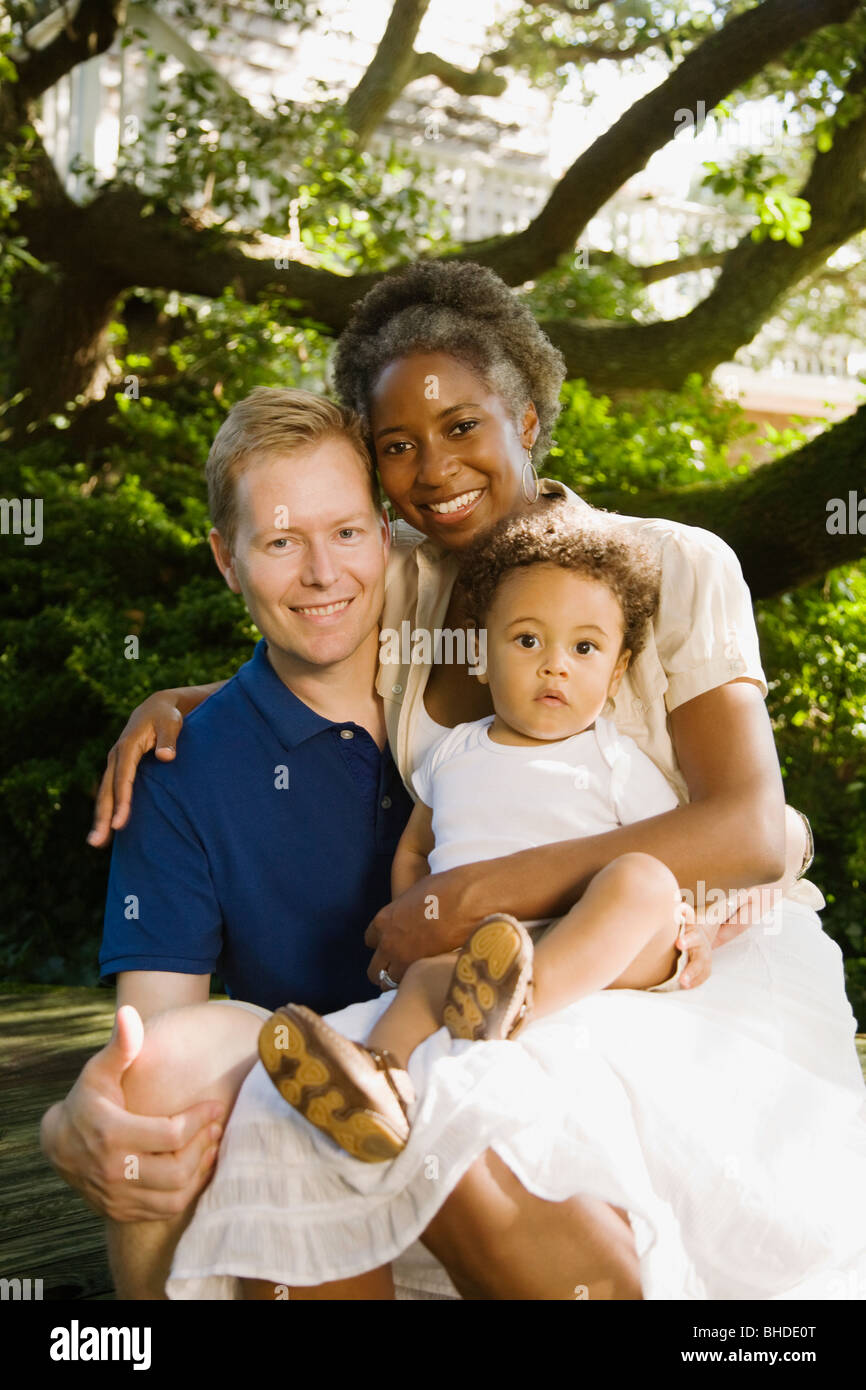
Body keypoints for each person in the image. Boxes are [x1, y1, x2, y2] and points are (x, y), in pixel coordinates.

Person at [50, 260, 865, 1300]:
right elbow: (304, 601)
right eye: (397, 446)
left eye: (462, 427)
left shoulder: (669, 564)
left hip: (675, 964)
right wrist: (183, 700)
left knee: (460, 1130)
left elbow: (751, 828)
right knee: (315, 1116)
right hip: (469, 974)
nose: (432, 469)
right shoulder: (408, 579)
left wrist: (470, 893)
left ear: (527, 418)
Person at [260, 505, 804, 1162]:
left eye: (584, 648)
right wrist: (414, 908)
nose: (555, 667)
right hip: (478, 948)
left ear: (616, 668)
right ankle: (375, 1085)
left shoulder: (610, 757)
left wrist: (705, 925)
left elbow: (682, 852)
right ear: (483, 657)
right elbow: (414, 846)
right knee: (429, 981)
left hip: (600, 945)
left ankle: (519, 1001)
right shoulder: (453, 752)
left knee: (640, 877)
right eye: (527, 642)